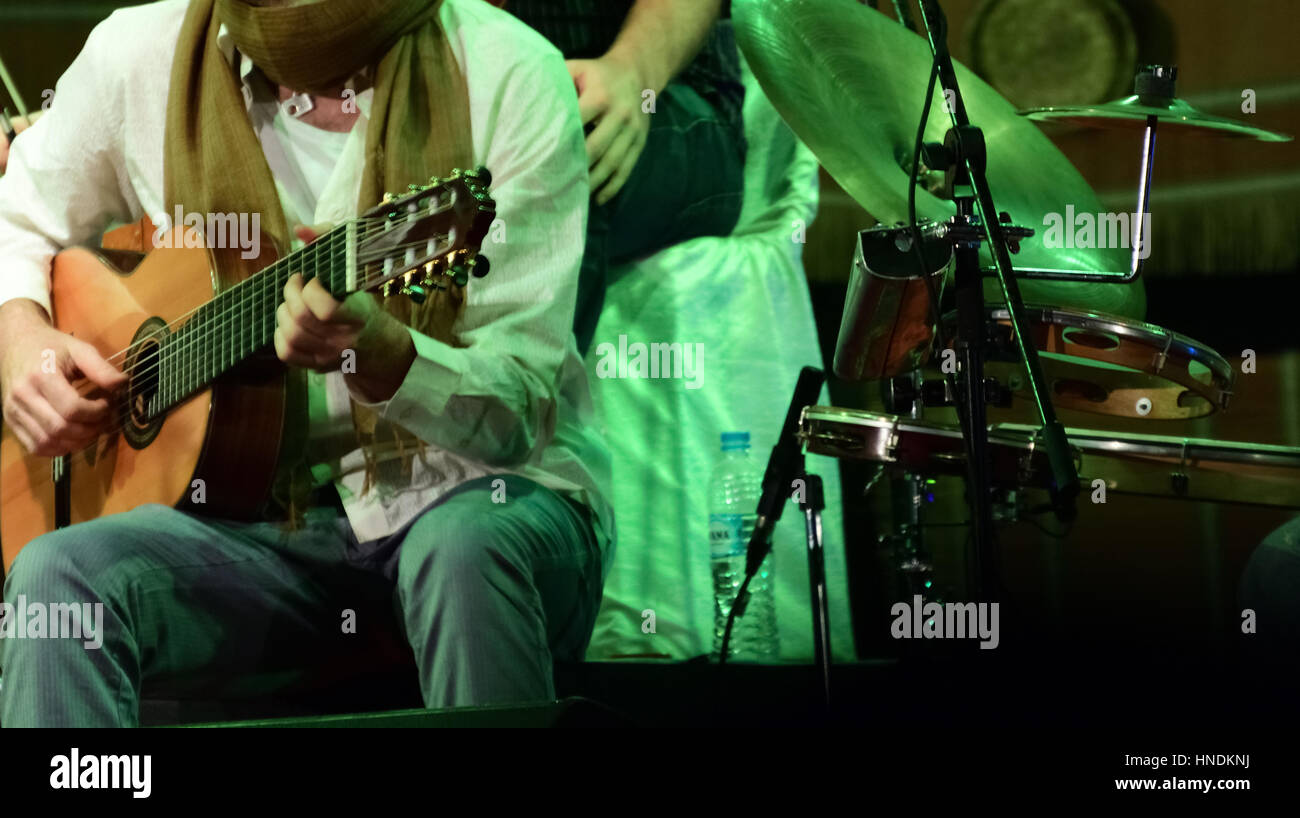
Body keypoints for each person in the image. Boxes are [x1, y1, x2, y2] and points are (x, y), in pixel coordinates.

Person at [0, 0, 611, 726]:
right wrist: (19, 337)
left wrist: (391, 361)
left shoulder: (508, 72)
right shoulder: (138, 56)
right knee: (54, 578)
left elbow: (521, 412)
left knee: (463, 549)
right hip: (251, 528)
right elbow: (21, 216)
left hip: (477, 496)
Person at [505, 0, 747, 355]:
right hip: (504, 95)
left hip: (667, 93)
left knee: (565, 147)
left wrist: (632, 71)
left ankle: (514, 401)